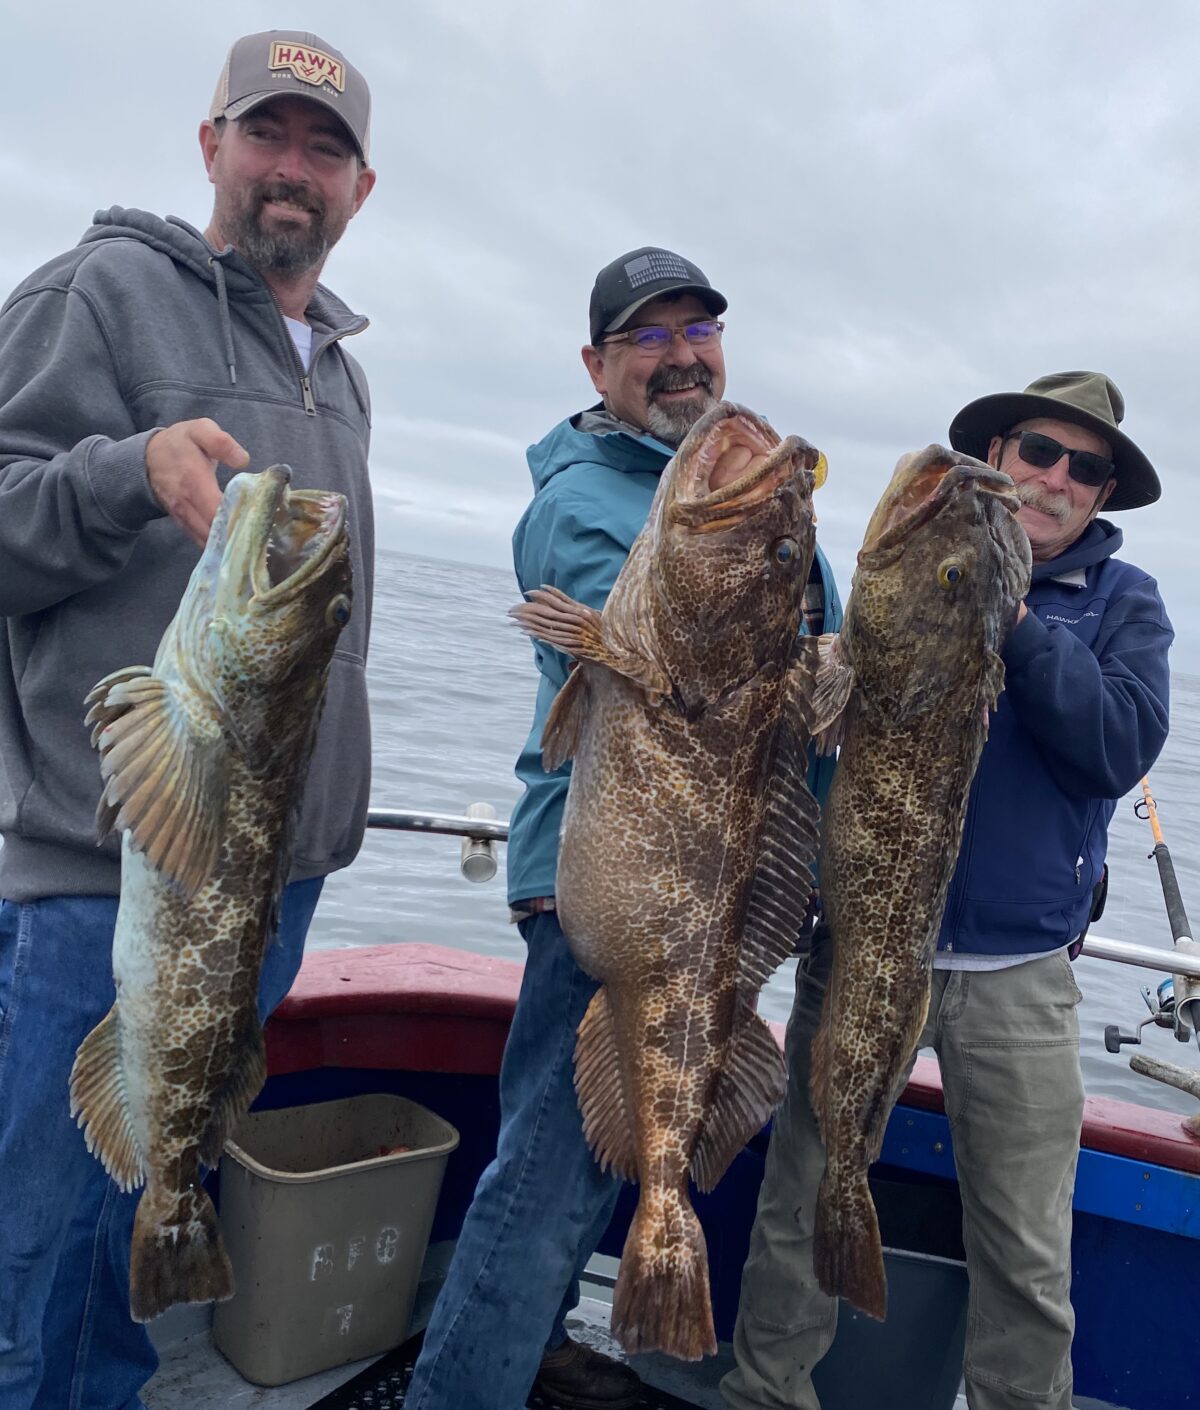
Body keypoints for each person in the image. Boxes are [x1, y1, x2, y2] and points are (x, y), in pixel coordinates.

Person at [0, 29, 376, 1410]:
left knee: (143, 1202)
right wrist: (121, 472)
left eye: (323, 147)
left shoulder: (339, 372)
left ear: (363, 186)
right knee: (47, 1257)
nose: (293, 168)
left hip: (273, 884)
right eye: (267, 133)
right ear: (209, 143)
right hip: (99, 881)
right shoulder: (97, 295)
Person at [406, 246, 842, 1410]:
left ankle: (527, 1348)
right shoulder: (581, 501)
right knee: (545, 1184)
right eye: (647, 337)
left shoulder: (706, 490)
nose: (682, 355)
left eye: (699, 329)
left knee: (600, 1161)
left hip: (713, 883)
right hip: (601, 889)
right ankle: (460, 1391)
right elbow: (674, 658)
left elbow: (808, 655)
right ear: (596, 366)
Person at [722, 371, 1173, 1410]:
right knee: (801, 1197)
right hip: (864, 944)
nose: (1055, 479)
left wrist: (1010, 621)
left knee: (1025, 1247)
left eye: (1085, 467)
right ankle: (763, 1393)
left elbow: (1117, 743)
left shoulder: (1124, 605)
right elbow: (801, 701)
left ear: (1103, 492)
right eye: (1036, 452)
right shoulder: (914, 565)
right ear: (1001, 454)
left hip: (1017, 978)